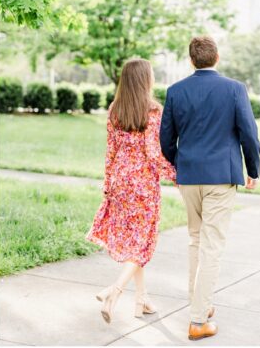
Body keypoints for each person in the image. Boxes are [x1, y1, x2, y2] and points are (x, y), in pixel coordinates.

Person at [160, 35, 260, 341]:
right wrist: (253, 170)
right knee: (212, 246)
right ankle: (198, 319)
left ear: (191, 60)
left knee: (195, 240)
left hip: (189, 177)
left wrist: (182, 162)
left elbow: (166, 140)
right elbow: (249, 134)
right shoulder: (233, 89)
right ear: (217, 58)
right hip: (221, 177)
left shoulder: (175, 91)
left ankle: (199, 302)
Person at [87, 58, 176, 323]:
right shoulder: (152, 111)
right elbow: (153, 153)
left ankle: (141, 299)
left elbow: (110, 150)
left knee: (134, 240)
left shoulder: (116, 108)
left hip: (120, 182)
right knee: (144, 242)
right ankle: (114, 291)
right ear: (145, 80)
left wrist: (107, 183)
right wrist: (176, 175)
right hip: (143, 184)